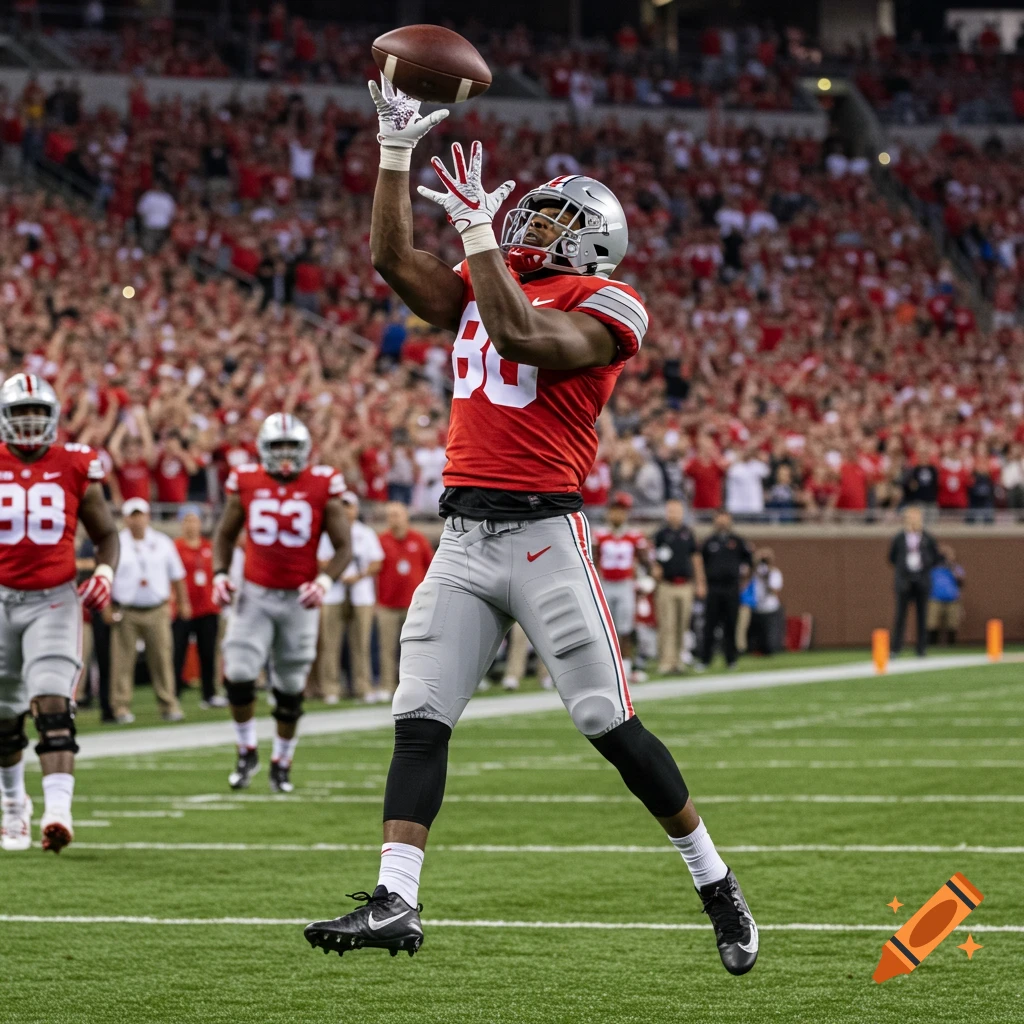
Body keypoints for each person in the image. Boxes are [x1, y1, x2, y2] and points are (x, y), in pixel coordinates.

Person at [304, 80, 758, 977]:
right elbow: (394, 260)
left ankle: (715, 881)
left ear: (593, 239)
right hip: (465, 538)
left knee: (608, 722)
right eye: (532, 216)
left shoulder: (610, 301)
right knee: (418, 715)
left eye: (552, 220)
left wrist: (479, 241)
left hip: (547, 538)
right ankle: (397, 898)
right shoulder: (488, 279)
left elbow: (521, 339)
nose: (531, 227)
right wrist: (394, 154)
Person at [0, 374, 119, 854]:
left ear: (52, 419)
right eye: (20, 414)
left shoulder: (74, 463)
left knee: (52, 701)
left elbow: (106, 532)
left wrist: (106, 573)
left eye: (37, 414)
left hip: (54, 597)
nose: (29, 424)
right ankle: (13, 808)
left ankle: (58, 813)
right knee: (4, 718)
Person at [212, 413, 351, 795]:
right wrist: (220, 573)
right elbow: (224, 535)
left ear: (305, 450)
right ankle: (246, 749)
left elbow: (344, 548)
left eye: (292, 447)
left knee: (290, 686)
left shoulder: (323, 483)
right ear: (263, 450)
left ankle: (283, 760)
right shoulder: (246, 481)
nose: (286, 455)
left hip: (299, 598)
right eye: (278, 447)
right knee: (238, 672)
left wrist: (324, 580)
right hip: (254, 593)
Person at [110, 498, 189, 724]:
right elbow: (106, 575)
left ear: (147, 516)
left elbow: (177, 575)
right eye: (132, 515)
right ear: (125, 518)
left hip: (157, 608)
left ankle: (168, 704)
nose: (137, 520)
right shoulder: (116, 542)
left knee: (162, 658)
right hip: (126, 609)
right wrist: (107, 606)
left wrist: (183, 603)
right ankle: (121, 707)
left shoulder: (162, 542)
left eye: (140, 514)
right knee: (122, 661)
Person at [318, 492, 384, 703]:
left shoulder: (366, 533)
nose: (347, 511)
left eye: (350, 507)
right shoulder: (328, 533)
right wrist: (339, 573)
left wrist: (359, 576)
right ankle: (331, 688)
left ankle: (362, 686)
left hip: (361, 592)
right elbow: (321, 560)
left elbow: (376, 562)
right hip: (334, 591)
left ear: (356, 509)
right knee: (330, 643)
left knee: (361, 643)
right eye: (342, 507)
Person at [375, 501, 434, 697]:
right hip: (387, 604)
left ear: (406, 516)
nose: (394, 519)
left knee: (415, 649)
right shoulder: (381, 540)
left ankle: (415, 686)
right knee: (387, 649)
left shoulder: (418, 540)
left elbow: (430, 568)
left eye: (397, 514)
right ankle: (387, 686)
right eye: (390, 515)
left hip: (414, 605)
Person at [173, 506, 225, 709]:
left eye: (194, 520)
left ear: (200, 523)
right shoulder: (175, 547)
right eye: (187, 520)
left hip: (207, 608)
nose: (191, 525)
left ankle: (209, 694)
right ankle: (174, 694)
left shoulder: (209, 547)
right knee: (178, 653)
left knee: (208, 653)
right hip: (183, 608)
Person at [594, 492, 650, 684]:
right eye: (614, 511)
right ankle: (604, 669)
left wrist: (647, 576)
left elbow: (645, 560)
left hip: (625, 585)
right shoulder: (599, 535)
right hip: (606, 585)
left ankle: (625, 669)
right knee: (604, 629)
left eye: (621, 512)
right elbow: (591, 560)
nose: (618, 516)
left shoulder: (634, 536)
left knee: (625, 629)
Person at [651, 497, 704, 674]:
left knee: (682, 624)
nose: (674, 514)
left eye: (677, 511)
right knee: (667, 624)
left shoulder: (688, 533)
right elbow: (652, 557)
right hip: (666, 584)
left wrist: (700, 582)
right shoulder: (660, 534)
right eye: (671, 511)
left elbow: (696, 558)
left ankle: (679, 661)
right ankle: (666, 662)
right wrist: (655, 569)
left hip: (685, 584)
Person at [698, 511, 753, 670]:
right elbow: (700, 563)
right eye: (719, 517)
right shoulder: (709, 541)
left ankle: (731, 659)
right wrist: (702, 583)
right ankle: (705, 660)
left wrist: (745, 581)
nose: (722, 521)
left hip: (731, 588)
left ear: (729, 520)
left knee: (731, 624)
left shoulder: (737, 541)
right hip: (713, 587)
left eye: (725, 517)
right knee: (710, 625)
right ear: (715, 520)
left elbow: (749, 561)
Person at [888, 505, 939, 657]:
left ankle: (921, 649)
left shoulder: (927, 538)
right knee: (900, 616)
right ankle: (896, 648)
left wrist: (924, 562)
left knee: (922, 615)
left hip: (922, 579)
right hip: (904, 580)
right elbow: (892, 557)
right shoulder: (899, 537)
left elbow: (935, 557)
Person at [747, 548, 784, 655]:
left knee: (770, 643)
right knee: (756, 639)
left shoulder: (774, 572)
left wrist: (767, 576)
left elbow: (775, 590)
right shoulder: (754, 572)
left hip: (770, 608)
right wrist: (757, 559)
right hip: (756, 607)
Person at [928, 544, 965, 646]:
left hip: (952, 599)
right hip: (935, 598)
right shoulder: (932, 567)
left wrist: (951, 564)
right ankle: (932, 645)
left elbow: (961, 581)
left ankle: (951, 645)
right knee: (932, 623)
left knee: (952, 624)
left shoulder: (955, 568)